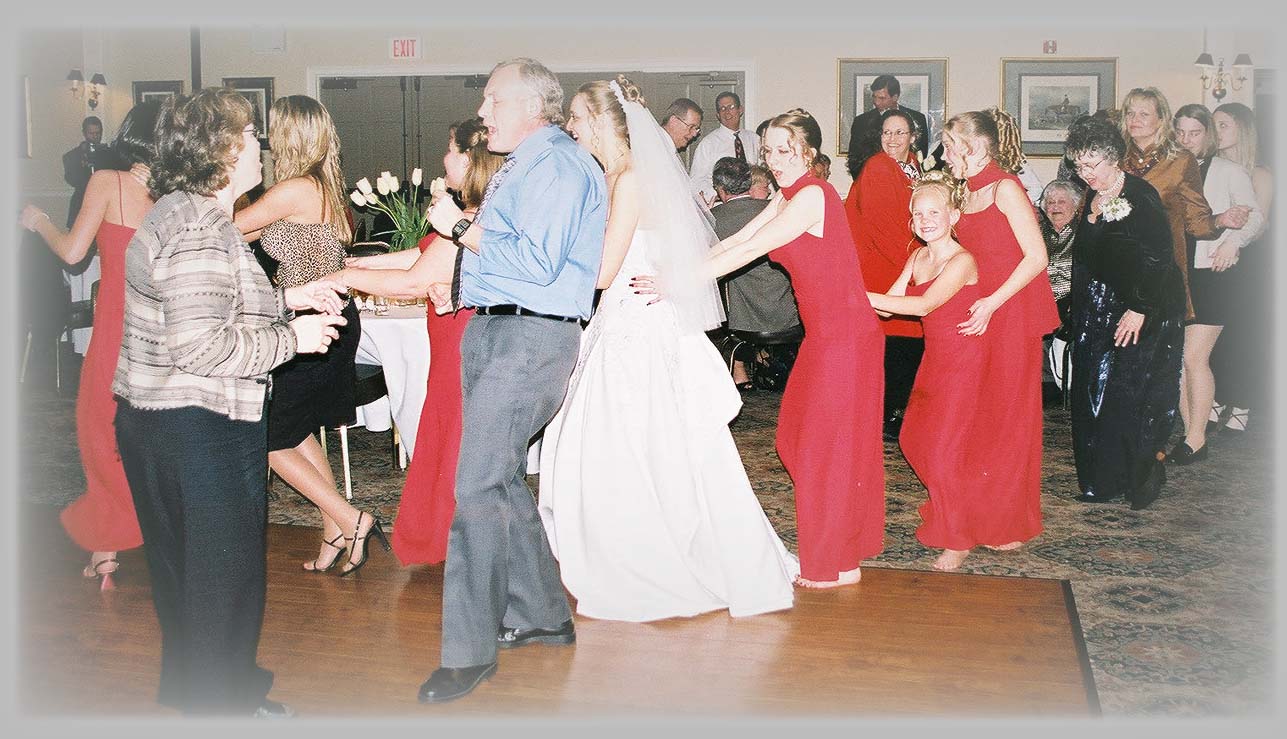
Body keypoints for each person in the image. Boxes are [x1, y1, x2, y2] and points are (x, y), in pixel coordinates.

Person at [112, 87, 348, 716]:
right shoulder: (200, 229)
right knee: (221, 583)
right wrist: (293, 339)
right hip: (199, 426)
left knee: (188, 579)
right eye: (246, 134)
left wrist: (289, 300)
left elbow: (210, 303)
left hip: (165, 422)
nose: (256, 144)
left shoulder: (184, 213)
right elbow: (202, 346)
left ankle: (207, 697)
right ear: (218, 151)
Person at [539, 76, 798, 622]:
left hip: (635, 323)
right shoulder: (611, 174)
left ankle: (645, 557)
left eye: (577, 116)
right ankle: (612, 548)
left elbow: (603, 270)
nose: (570, 126)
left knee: (640, 441)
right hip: (620, 318)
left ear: (602, 121)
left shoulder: (632, 177)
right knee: (621, 440)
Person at [415, 58, 608, 704]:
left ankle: (467, 653)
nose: (483, 112)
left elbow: (535, 260)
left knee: (475, 485)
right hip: (501, 330)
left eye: (493, 99)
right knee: (496, 479)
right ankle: (543, 614)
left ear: (531, 105)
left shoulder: (555, 164)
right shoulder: (527, 164)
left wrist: (457, 226)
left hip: (529, 338)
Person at [640, 108, 886, 589]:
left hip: (847, 338)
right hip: (826, 336)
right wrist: (681, 268)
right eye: (768, 150)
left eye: (785, 149)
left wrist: (679, 283)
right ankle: (846, 546)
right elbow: (738, 239)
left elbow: (750, 252)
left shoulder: (814, 195)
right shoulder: (787, 194)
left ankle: (835, 563)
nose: (774, 159)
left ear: (808, 151)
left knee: (819, 448)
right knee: (795, 439)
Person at [334, 118, 504, 565]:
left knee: (452, 436)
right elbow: (421, 253)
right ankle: (450, 538)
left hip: (460, 342)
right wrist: (359, 265)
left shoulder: (470, 220)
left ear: (468, 160)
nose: (443, 158)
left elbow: (413, 281)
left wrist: (343, 278)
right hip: (450, 338)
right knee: (447, 433)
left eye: (450, 149)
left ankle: (450, 539)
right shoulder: (469, 213)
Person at [232, 95, 387, 575]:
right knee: (295, 432)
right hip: (329, 315)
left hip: (311, 320)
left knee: (269, 436)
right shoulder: (322, 184)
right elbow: (252, 233)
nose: (266, 141)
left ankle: (351, 519)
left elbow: (228, 229)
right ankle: (333, 531)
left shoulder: (295, 188)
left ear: (288, 134)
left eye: (272, 131)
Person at [20, 101, 160, 586]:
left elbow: (73, 252)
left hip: (118, 323)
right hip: (162, 327)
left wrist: (38, 220)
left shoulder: (108, 181)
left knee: (100, 428)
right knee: (150, 433)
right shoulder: (178, 194)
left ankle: (106, 552)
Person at [939, 109, 1059, 549]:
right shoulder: (968, 190)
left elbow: (1037, 256)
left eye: (949, 147)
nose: (944, 155)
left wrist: (992, 302)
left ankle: (1007, 521)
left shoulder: (1005, 187)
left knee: (1009, 416)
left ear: (974, 147)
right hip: (982, 311)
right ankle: (981, 508)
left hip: (1009, 312)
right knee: (982, 414)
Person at [1064, 114, 1185, 510]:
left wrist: (1138, 308)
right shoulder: (1092, 194)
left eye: (1091, 164)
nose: (1085, 173)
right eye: (1078, 165)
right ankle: (1102, 480)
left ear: (1114, 158)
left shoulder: (1140, 195)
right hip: (1100, 307)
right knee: (1093, 392)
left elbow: (1159, 258)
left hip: (1142, 307)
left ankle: (1141, 475)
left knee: (1131, 395)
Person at [866, 172, 984, 571]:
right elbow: (889, 306)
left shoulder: (962, 260)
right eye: (918, 214)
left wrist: (858, 294)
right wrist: (852, 291)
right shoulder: (918, 257)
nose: (925, 220)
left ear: (953, 216)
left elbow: (923, 305)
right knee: (913, 439)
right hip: (935, 359)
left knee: (944, 450)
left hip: (964, 362)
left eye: (934, 212)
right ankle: (953, 510)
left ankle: (958, 538)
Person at [1169, 103, 1266, 463]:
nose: (1186, 140)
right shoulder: (1171, 167)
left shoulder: (1228, 170)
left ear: (1207, 134)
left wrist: (1232, 242)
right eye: (1180, 132)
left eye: (1194, 133)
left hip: (1212, 273)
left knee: (1194, 357)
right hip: (1177, 274)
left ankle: (1196, 439)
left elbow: (1254, 217)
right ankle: (1191, 433)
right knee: (1179, 361)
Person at [1119, 88, 1248, 320]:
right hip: (1117, 266)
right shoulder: (1115, 157)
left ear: (1161, 120)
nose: (1134, 119)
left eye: (1143, 114)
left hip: (1160, 268)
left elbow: (1196, 221)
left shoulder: (1180, 160)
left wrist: (1221, 220)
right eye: (1130, 113)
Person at [844, 108, 926, 440]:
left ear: (913, 137)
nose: (892, 139)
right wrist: (922, 263)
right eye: (886, 132)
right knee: (897, 343)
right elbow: (884, 228)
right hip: (883, 267)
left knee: (904, 343)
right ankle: (888, 414)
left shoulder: (913, 166)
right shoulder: (878, 166)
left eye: (899, 133)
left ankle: (893, 411)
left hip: (900, 264)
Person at [1209, 101, 1274, 435]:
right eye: (1214, 125)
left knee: (1243, 335)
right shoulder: (1212, 168)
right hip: (1214, 257)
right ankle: (1217, 398)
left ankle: (1242, 403)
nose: (1217, 131)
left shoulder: (1260, 173)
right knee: (1215, 334)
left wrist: (1233, 239)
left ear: (1242, 129)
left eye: (1224, 125)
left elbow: (1260, 225)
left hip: (1249, 263)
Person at [710, 156, 800, 390]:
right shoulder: (775, 211)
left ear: (719, 189)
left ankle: (739, 368)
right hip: (791, 316)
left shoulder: (714, 219)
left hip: (746, 321)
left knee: (726, 279)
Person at [1037, 178, 1086, 389]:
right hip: (1041, 302)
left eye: (1061, 202)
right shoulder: (1036, 233)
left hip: (1074, 303)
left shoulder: (1084, 233)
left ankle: (1068, 386)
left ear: (1075, 206)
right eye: (1050, 202)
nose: (1055, 207)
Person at [846, 75, 930, 179]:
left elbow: (921, 154)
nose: (876, 102)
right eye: (874, 97)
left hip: (908, 180)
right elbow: (854, 158)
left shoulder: (917, 118)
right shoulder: (861, 122)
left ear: (895, 97)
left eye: (882, 98)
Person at [689, 91, 760, 206]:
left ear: (740, 110)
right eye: (722, 108)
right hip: (722, 206)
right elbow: (696, 181)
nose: (727, 112)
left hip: (753, 204)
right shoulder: (708, 143)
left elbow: (762, 172)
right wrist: (720, 194)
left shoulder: (754, 139)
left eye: (731, 107)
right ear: (718, 115)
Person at [62, 116, 104, 228]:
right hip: (81, 204)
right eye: (91, 133)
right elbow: (72, 180)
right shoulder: (72, 156)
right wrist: (84, 166)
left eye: (98, 133)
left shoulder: (107, 153)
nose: (95, 137)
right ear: (84, 133)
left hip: (103, 204)